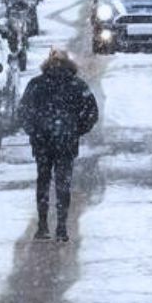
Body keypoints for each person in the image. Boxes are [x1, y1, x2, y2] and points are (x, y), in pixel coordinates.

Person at [17, 48, 99, 242]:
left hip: (42, 142)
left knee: (43, 181)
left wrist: (34, 130)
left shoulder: (36, 84)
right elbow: (91, 112)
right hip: (66, 142)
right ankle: (61, 226)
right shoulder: (77, 85)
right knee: (63, 183)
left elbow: (23, 112)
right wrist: (76, 130)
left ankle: (43, 224)